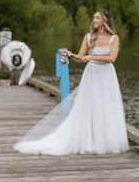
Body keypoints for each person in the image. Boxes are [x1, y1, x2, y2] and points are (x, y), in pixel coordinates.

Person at [14, 10, 129, 156]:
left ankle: (105, 141)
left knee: (105, 104)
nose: (94, 20)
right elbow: (80, 58)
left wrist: (90, 57)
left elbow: (112, 58)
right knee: (90, 105)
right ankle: (89, 141)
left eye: (98, 17)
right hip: (91, 73)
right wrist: (70, 54)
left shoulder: (114, 38)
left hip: (107, 74)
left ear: (105, 21)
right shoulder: (88, 37)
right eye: (94, 17)